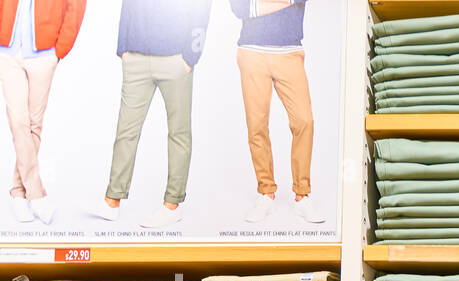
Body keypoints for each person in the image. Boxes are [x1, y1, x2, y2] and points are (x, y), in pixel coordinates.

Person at [91, 0, 213, 230]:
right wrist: (123, 48)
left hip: (176, 58)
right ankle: (112, 200)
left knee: (178, 133)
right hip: (136, 57)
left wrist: (191, 56)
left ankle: (172, 205)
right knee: (126, 130)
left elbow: (202, 9)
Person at [229, 0, 325, 224]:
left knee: (304, 121)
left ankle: (302, 195)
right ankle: (266, 192)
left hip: (290, 52)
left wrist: (259, 6)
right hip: (251, 51)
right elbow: (240, 9)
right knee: (257, 125)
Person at [0, 0, 85, 225]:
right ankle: (36, 195)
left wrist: (59, 51)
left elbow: (75, 6)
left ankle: (18, 193)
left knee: (33, 125)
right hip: (7, 52)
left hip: (44, 53)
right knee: (18, 121)